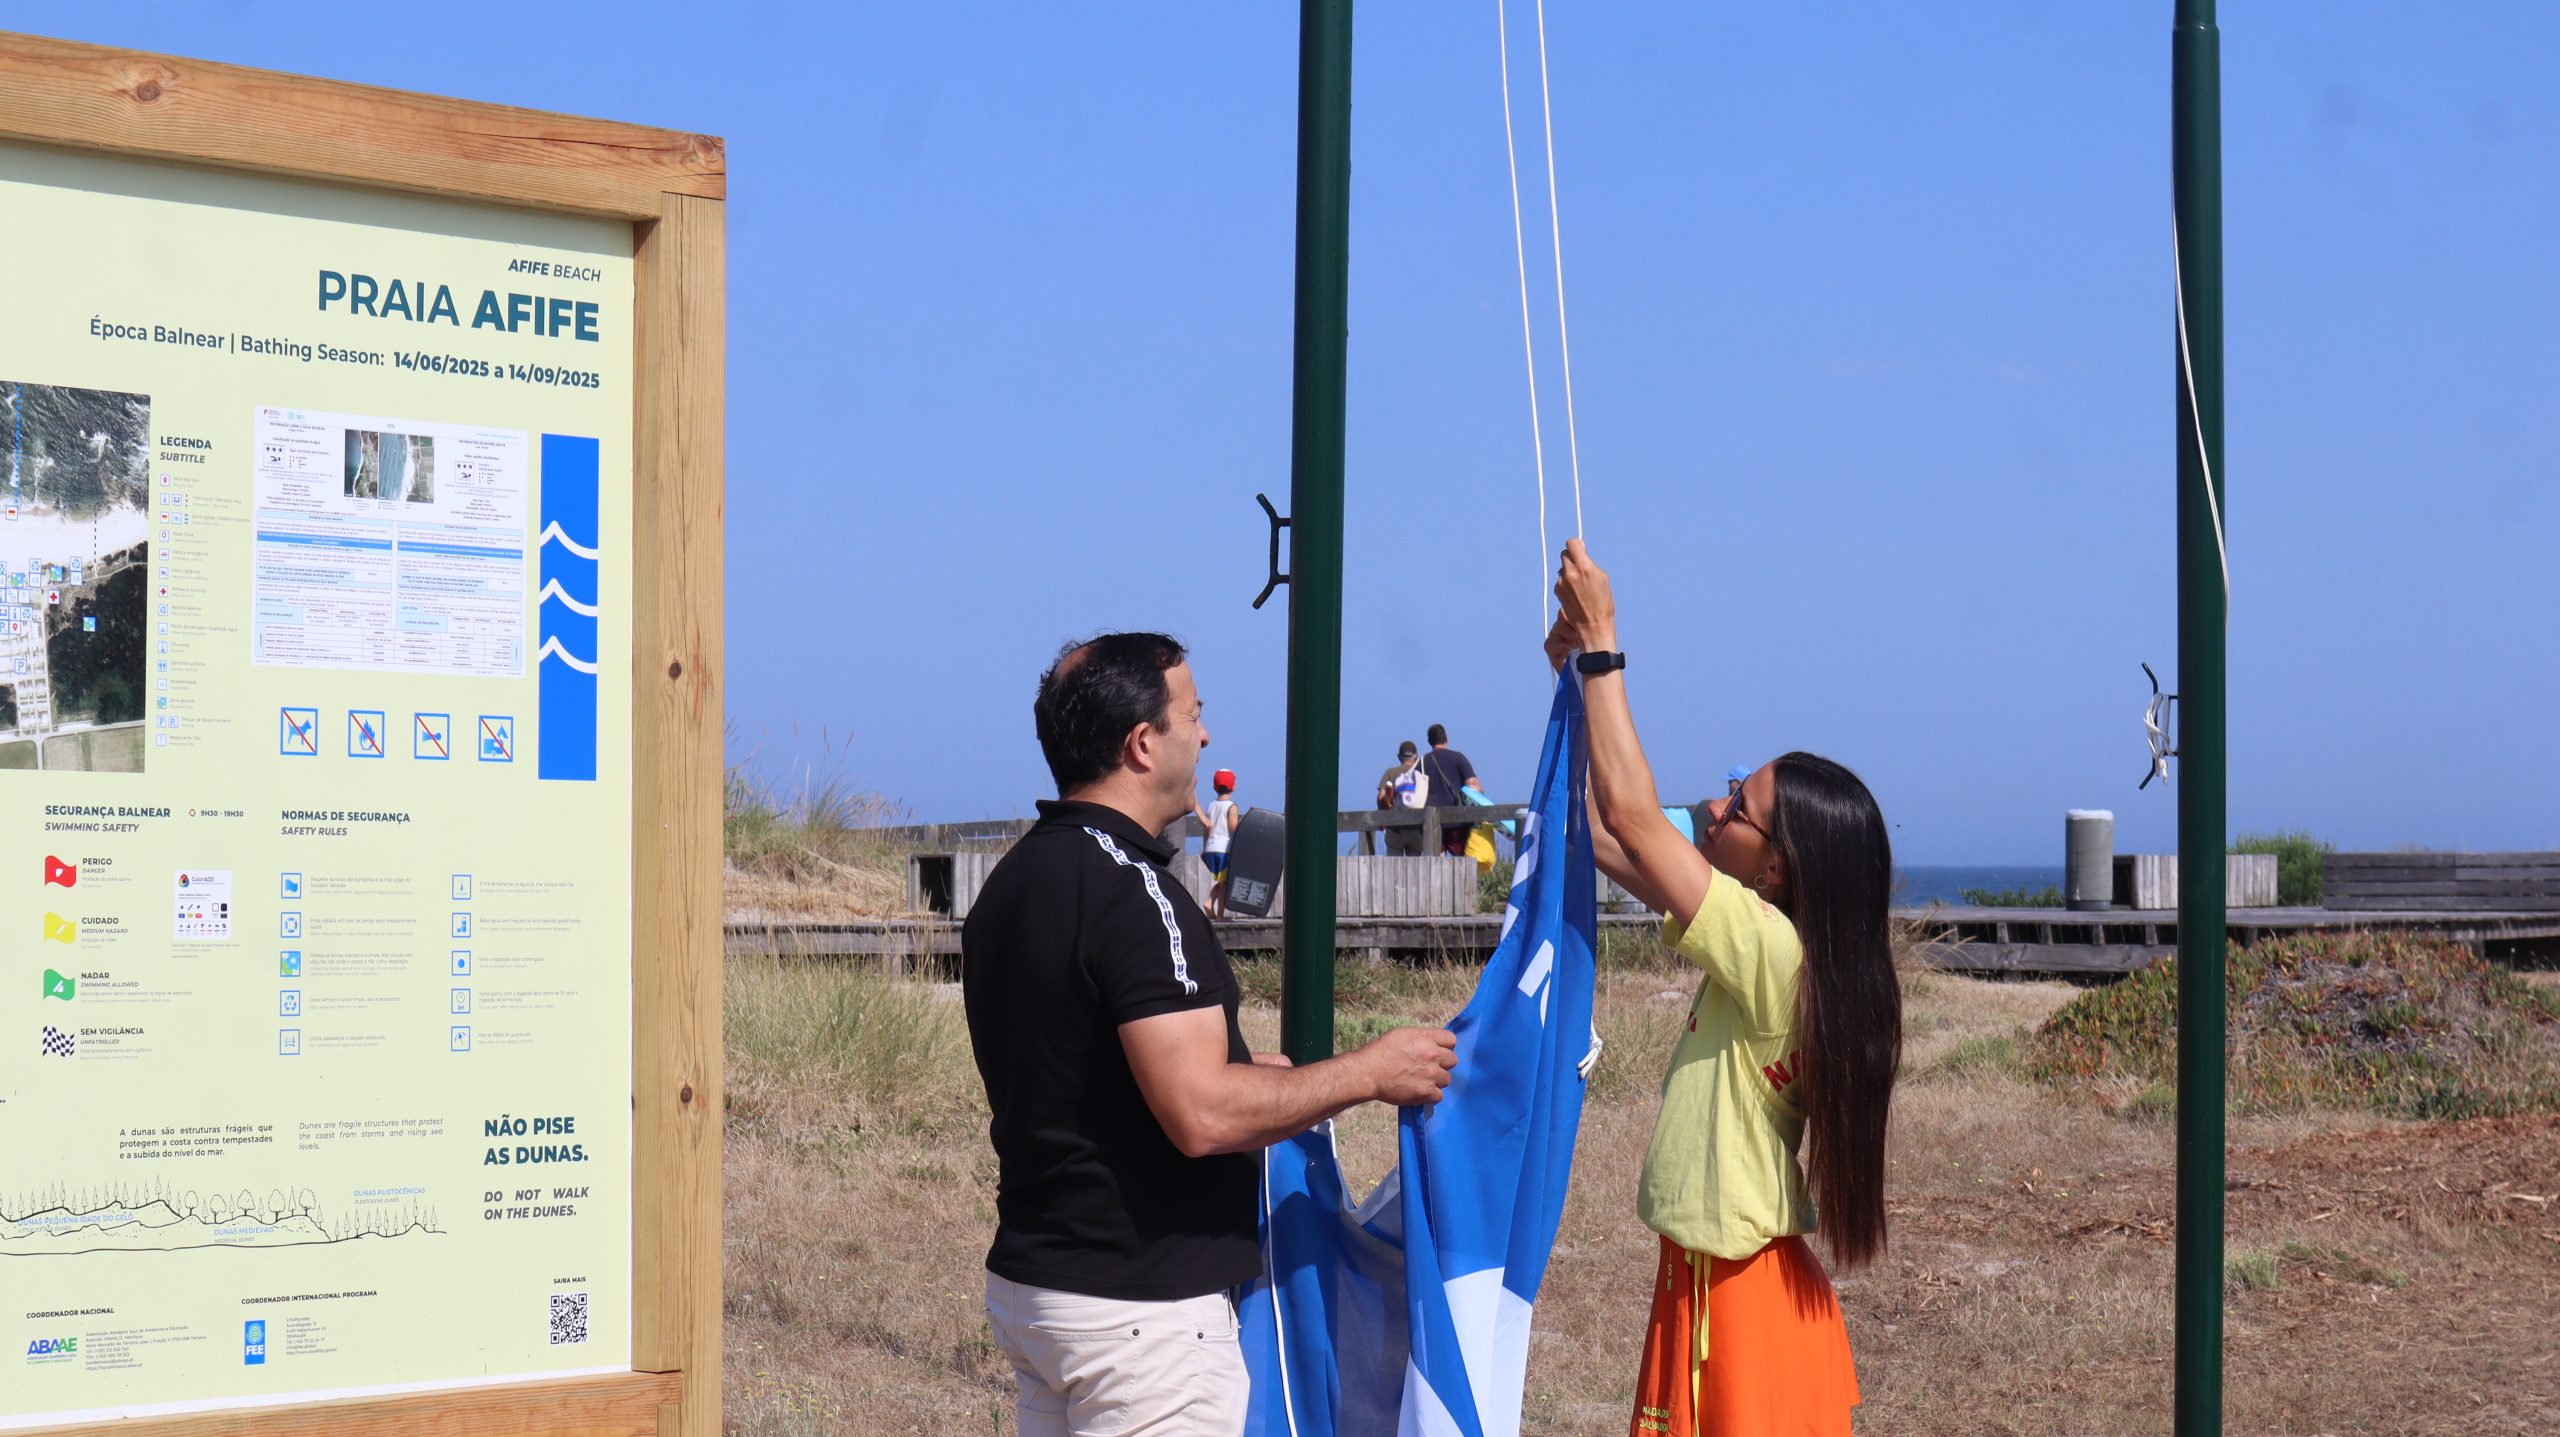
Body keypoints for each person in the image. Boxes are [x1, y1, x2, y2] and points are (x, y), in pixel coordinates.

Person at [961, 631, 1459, 1437]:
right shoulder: (1133, 893)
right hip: (1141, 1317)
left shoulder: (1013, 882)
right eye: (1193, 713)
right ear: (1142, 741)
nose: (1205, 734)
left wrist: (1237, 1067)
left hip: (1039, 1288)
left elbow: (1078, 1071)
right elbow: (1202, 1114)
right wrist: (1371, 1070)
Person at [1542, 542, 1900, 1437]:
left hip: (1741, 1301)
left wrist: (1606, 644)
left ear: (1777, 868)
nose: (1714, 806)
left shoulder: (1772, 950)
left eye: (1739, 804)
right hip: (1716, 1279)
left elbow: (1631, 813)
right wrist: (1574, 677)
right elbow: (1603, 828)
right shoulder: (1778, 946)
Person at [1419, 723, 1481, 857]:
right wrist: (1482, 801)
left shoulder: (1422, 762)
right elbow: (1472, 783)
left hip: (1432, 819)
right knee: (1461, 860)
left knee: (1436, 861)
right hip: (1457, 818)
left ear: (1429, 741)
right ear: (1446, 739)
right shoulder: (1458, 758)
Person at [1194, 768, 1242, 916]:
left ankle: (1214, 907)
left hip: (1211, 848)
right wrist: (1245, 822)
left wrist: (1204, 847)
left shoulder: (1211, 806)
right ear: (1233, 786)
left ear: (1214, 787)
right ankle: (1217, 911)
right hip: (1224, 849)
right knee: (1225, 884)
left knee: (1222, 882)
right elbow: (1233, 828)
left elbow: (1207, 828)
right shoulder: (1231, 807)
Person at [1375, 739, 1428, 856]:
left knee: (1392, 867)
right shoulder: (1421, 773)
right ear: (1416, 756)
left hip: (1395, 828)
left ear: (1399, 757)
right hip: (1416, 827)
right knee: (1415, 868)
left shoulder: (1391, 772)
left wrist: (1382, 817)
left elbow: (1381, 796)